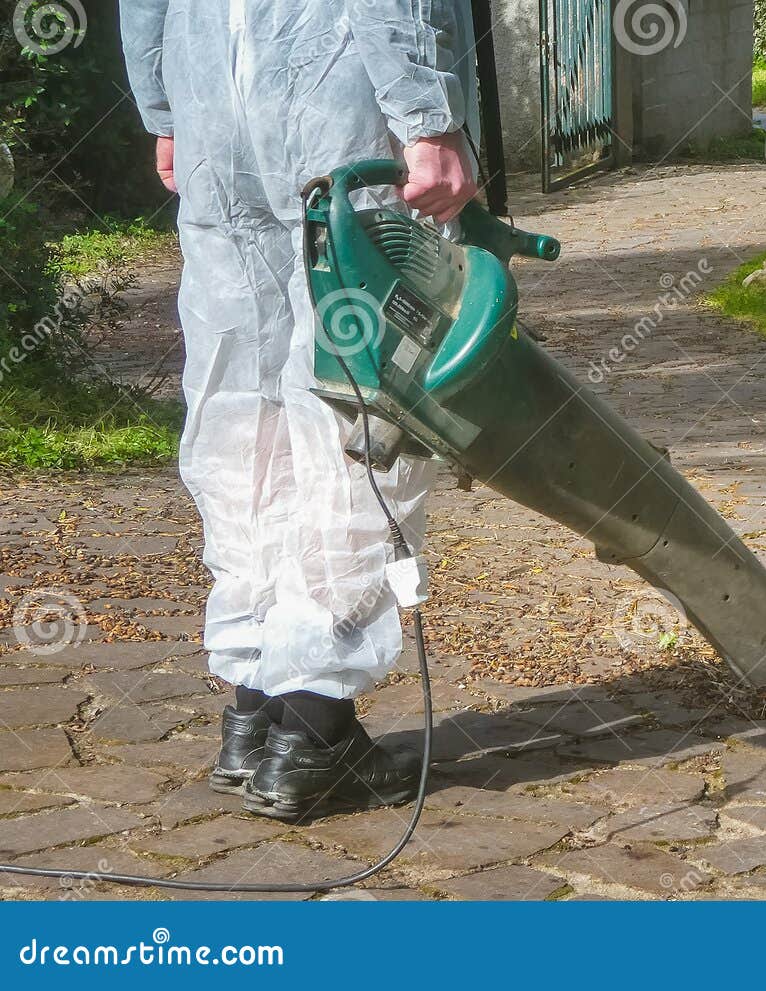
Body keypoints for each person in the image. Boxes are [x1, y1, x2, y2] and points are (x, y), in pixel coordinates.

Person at [120, 1, 481, 819]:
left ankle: (253, 707)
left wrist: (163, 105)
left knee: (238, 397)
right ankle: (313, 725)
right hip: (338, 84)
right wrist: (427, 115)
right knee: (358, 395)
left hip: (211, 82)